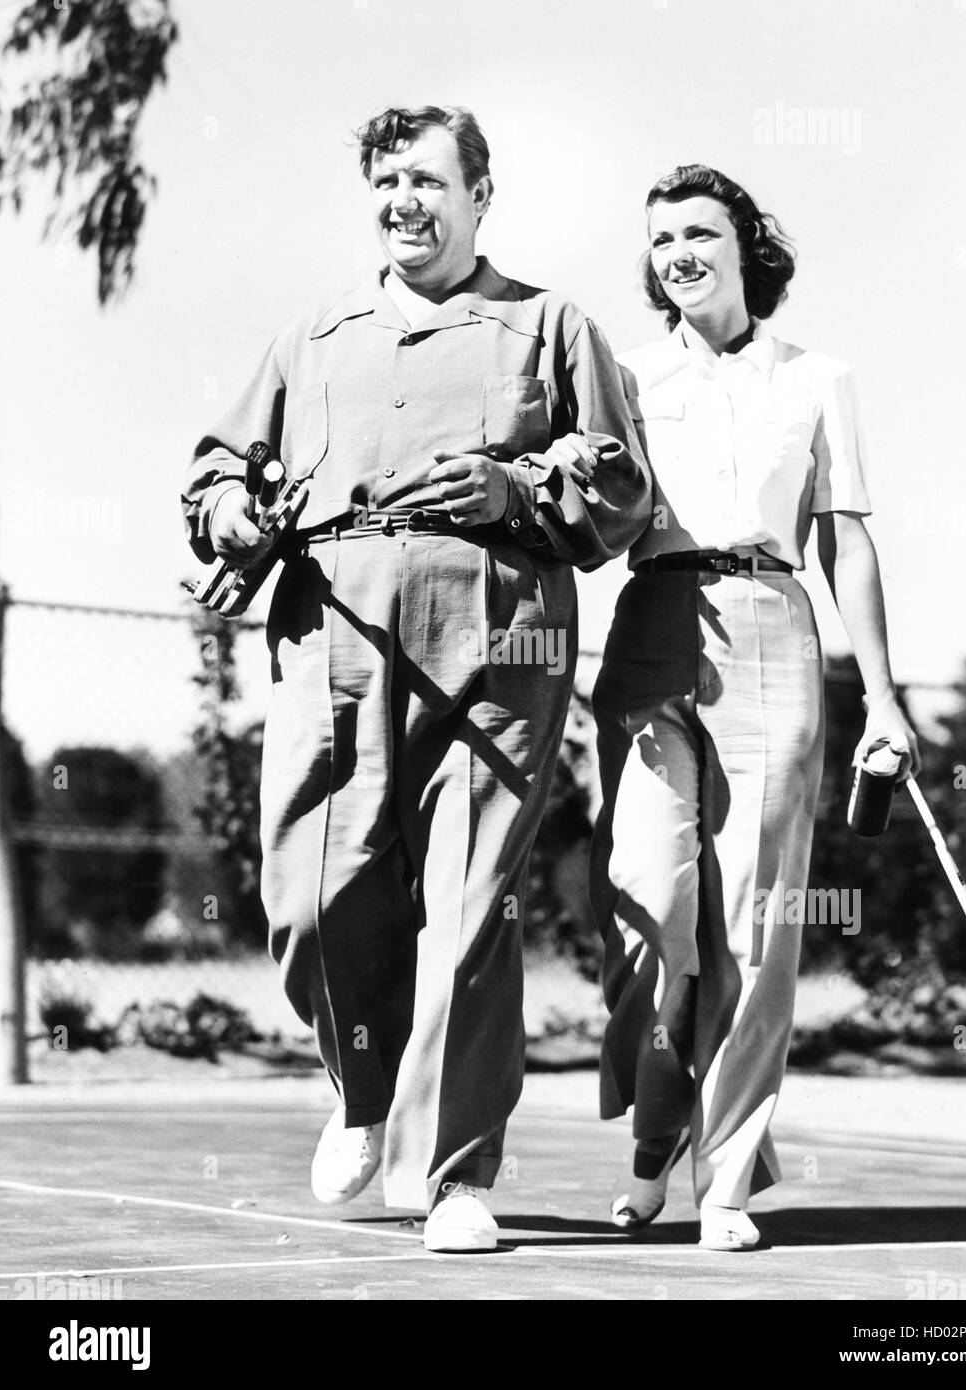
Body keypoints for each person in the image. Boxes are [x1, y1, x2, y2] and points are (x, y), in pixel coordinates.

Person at [181, 106, 650, 1253]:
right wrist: (234, 509)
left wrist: (515, 491)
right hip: (330, 637)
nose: (405, 199)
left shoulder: (551, 326)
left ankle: (451, 1176)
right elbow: (214, 476)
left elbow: (623, 493)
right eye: (387, 180)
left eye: (429, 180)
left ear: (480, 197)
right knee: (309, 897)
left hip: (501, 646)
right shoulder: (311, 337)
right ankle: (360, 1086)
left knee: (470, 902)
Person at [548, 163, 920, 1250]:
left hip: (772, 625)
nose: (676, 254)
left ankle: (721, 1178)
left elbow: (846, 540)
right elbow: (584, 514)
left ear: (743, 244)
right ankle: (656, 1132)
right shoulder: (620, 374)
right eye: (659, 238)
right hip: (651, 625)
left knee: (756, 917)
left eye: (698, 232)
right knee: (648, 901)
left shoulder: (816, 377)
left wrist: (884, 701)